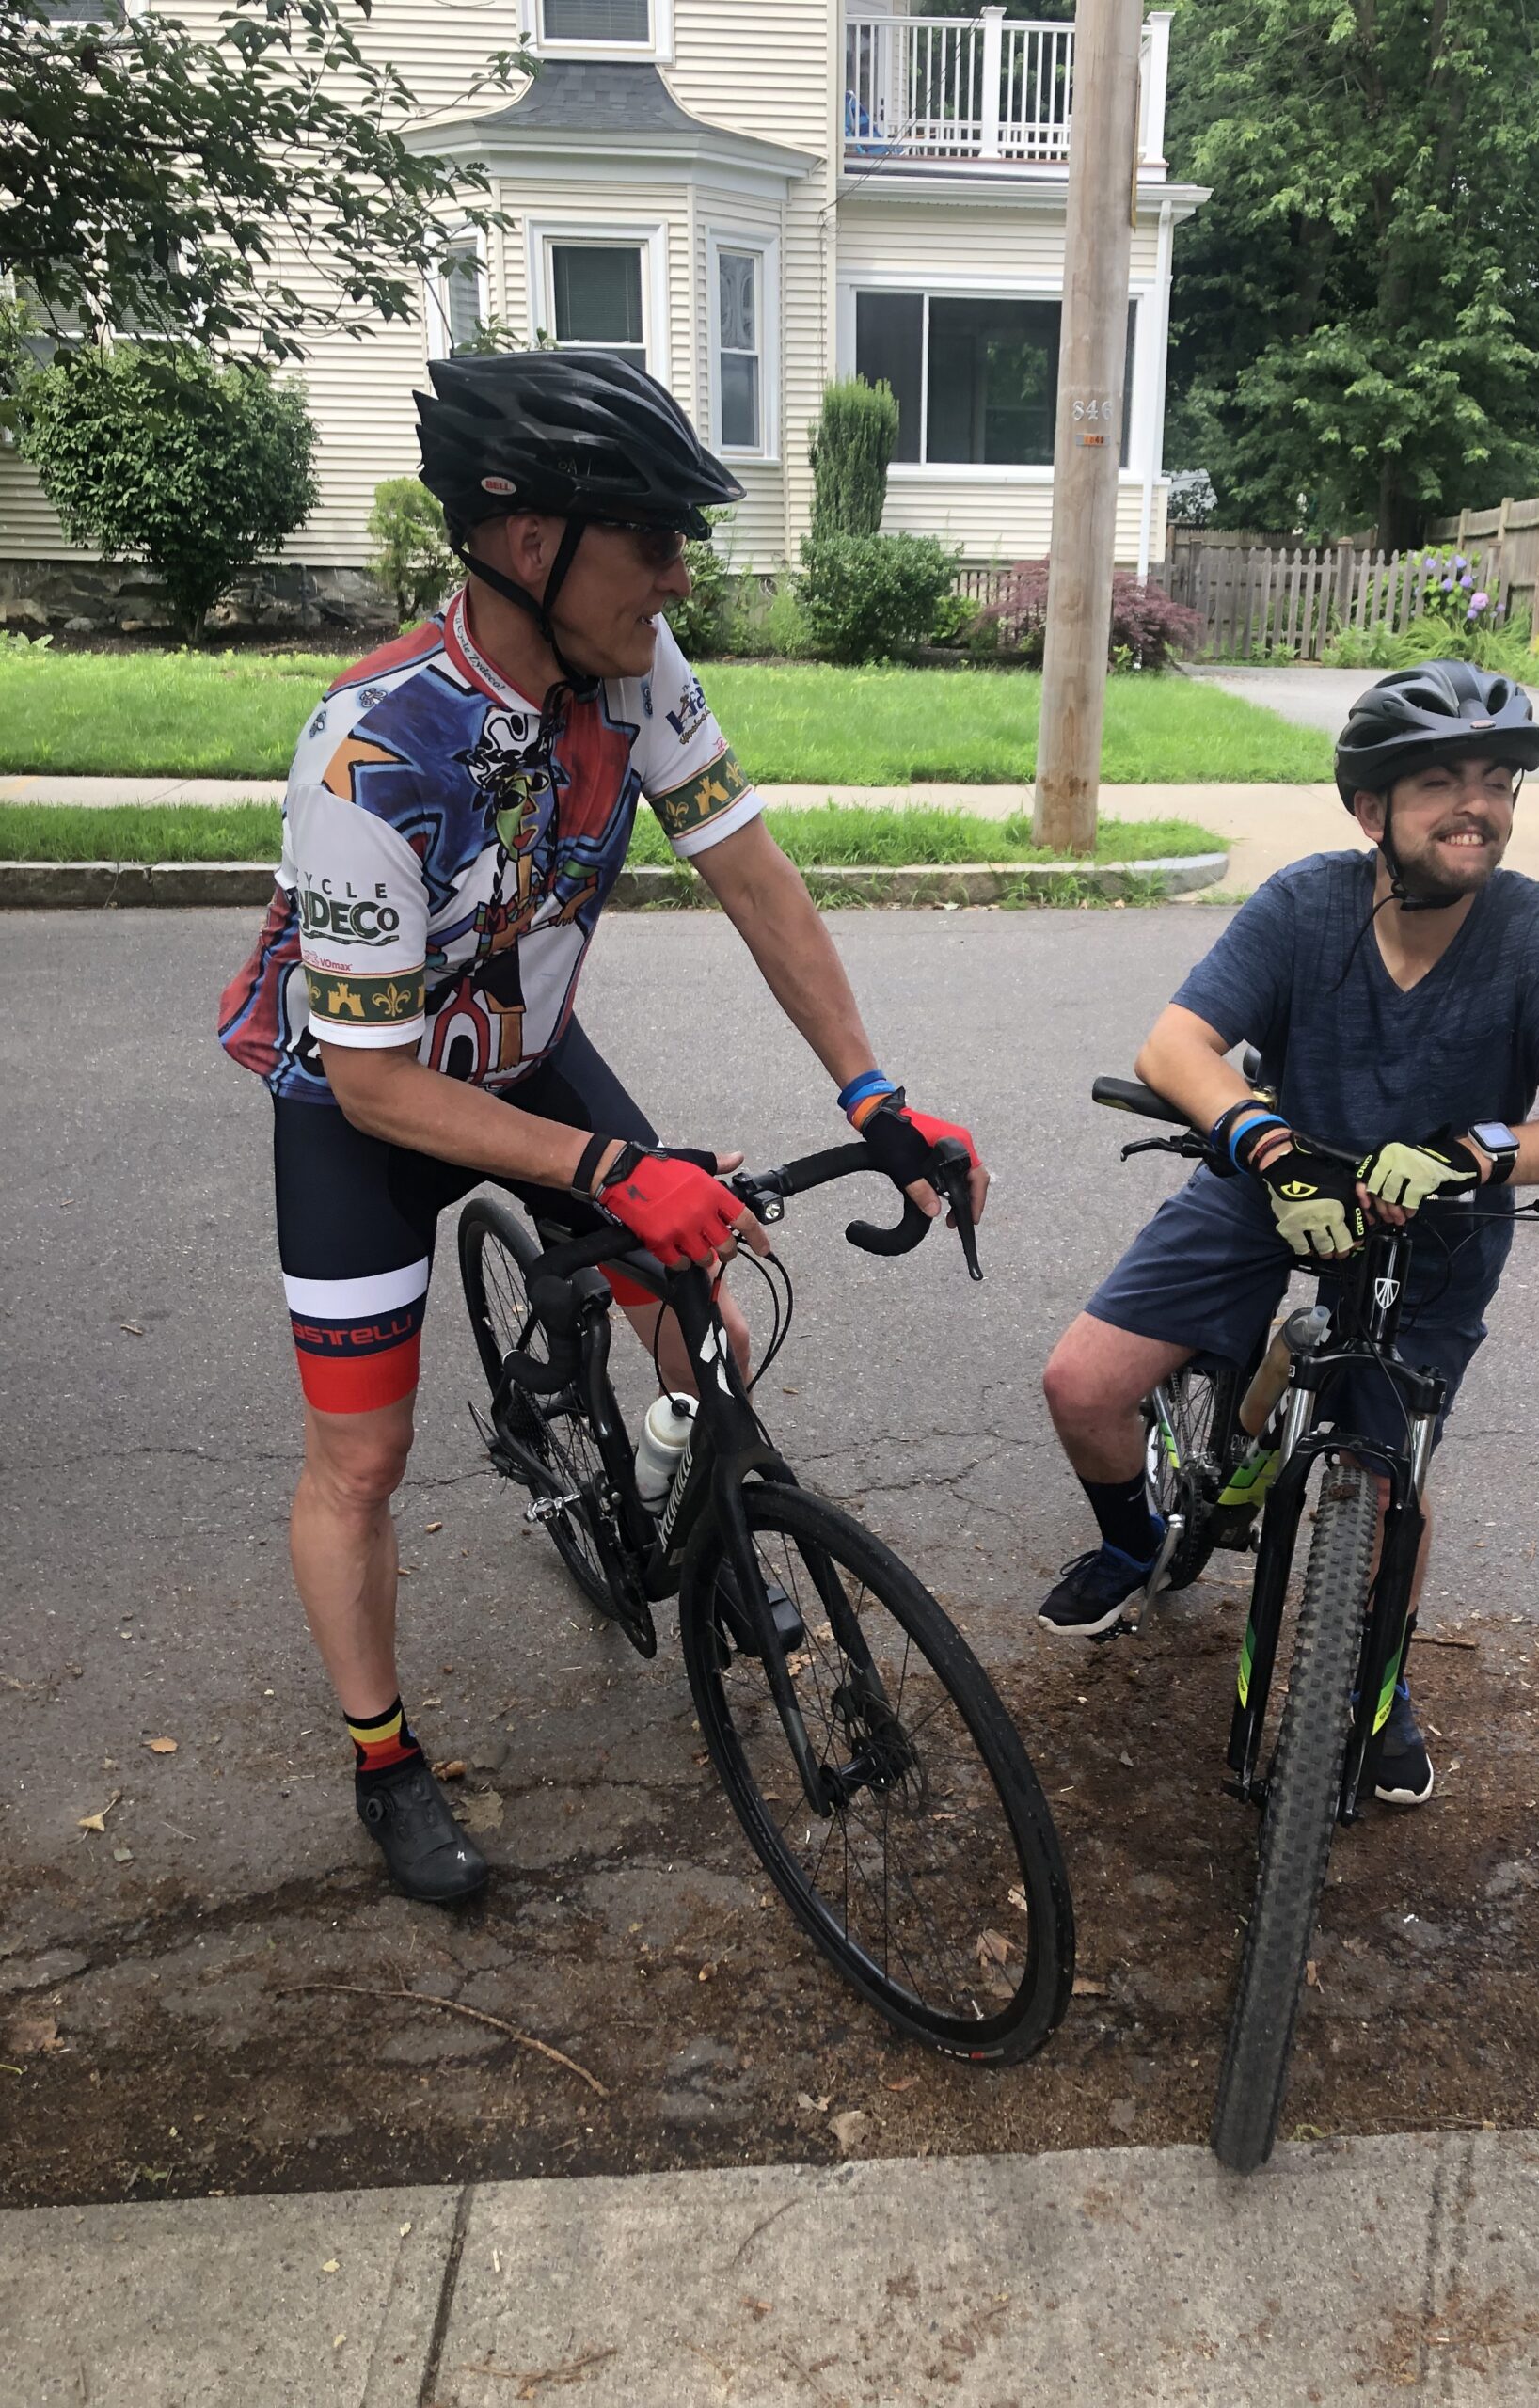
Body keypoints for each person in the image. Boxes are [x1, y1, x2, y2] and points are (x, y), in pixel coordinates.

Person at [218, 351, 985, 1904]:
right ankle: (385, 1760)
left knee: (707, 1312)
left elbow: (753, 874)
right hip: (361, 1110)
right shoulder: (370, 749)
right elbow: (372, 1083)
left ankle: (697, 1537)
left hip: (529, 1062)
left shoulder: (639, 671)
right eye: (648, 537)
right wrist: (612, 1171)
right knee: (357, 1462)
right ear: (525, 544)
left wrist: (872, 1093)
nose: (678, 571)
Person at [1038, 661, 1539, 1802]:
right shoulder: (1306, 903)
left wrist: (1476, 1153)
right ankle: (1135, 1546)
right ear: (1369, 809)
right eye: (1438, 783)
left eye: (1496, 782)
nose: (1475, 806)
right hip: (1275, 1183)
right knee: (1083, 1384)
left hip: (1439, 1221)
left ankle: (1377, 1676)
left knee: (1392, 1478)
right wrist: (1266, 1147)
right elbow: (1174, 1050)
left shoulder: (1535, 934)